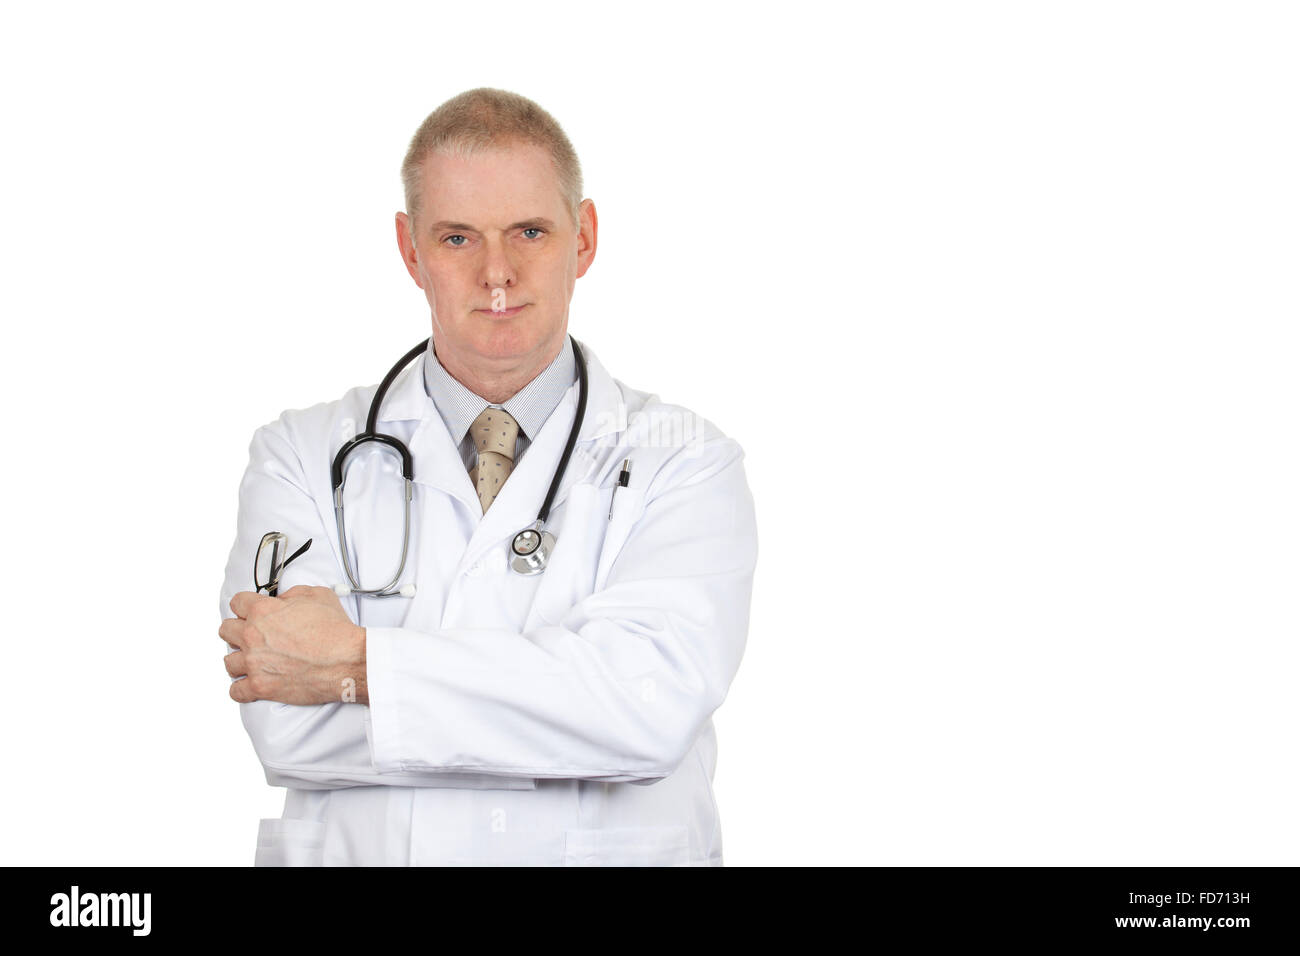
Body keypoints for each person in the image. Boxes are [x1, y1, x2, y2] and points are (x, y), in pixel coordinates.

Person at [217, 88, 759, 866]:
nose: (497, 273)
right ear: (410, 251)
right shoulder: (301, 455)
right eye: (458, 237)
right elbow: (284, 722)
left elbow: (649, 709)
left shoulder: (686, 460)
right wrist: (557, 710)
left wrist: (355, 665)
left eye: (529, 231)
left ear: (585, 238)